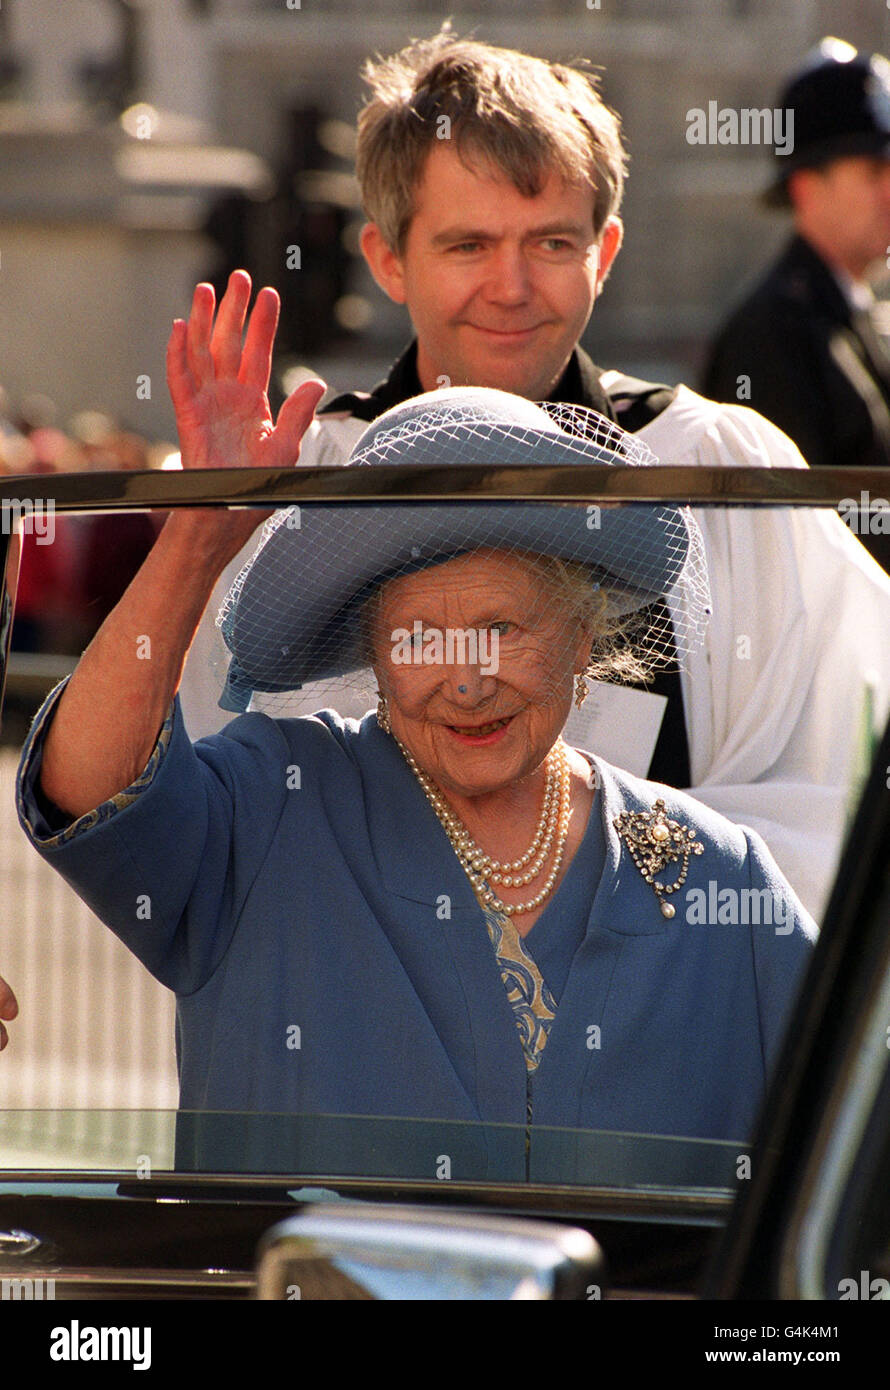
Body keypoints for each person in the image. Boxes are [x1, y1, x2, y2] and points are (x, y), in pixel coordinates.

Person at [15, 279, 815, 1149]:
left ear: (583, 639)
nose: (464, 680)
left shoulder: (716, 878)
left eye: (502, 629)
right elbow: (88, 786)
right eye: (421, 637)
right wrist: (198, 540)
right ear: (374, 655)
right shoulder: (271, 807)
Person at [179, 31, 890, 924]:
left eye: (552, 242)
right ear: (389, 260)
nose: (512, 287)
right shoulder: (305, 472)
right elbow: (190, 802)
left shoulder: (716, 469)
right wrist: (202, 526)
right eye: (468, 245)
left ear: (606, 250)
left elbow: (831, 790)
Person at [702, 37, 890, 571]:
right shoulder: (773, 333)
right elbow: (790, 554)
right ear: (807, 187)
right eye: (874, 172)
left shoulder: (850, 313)